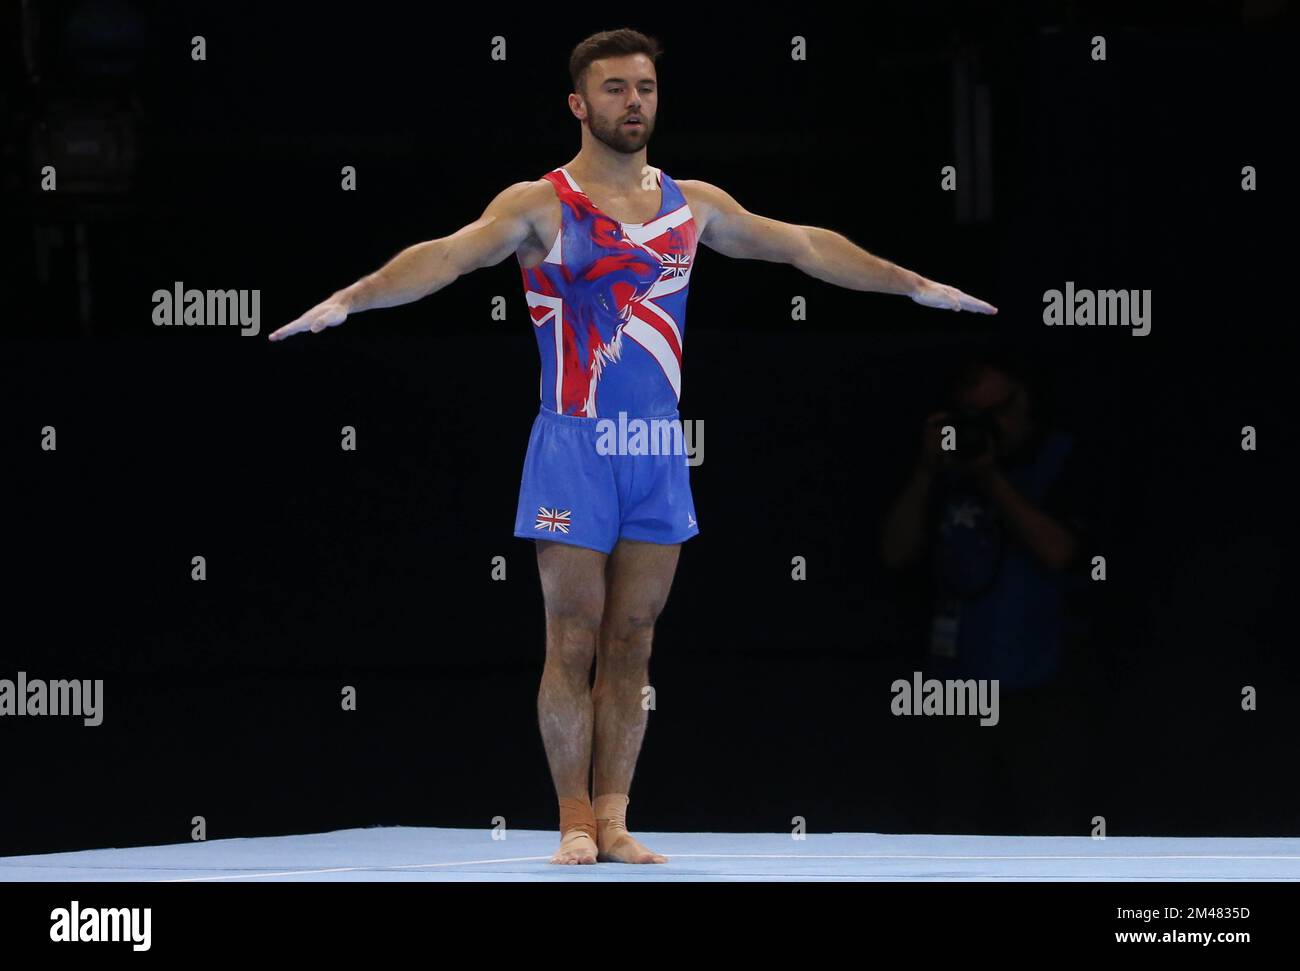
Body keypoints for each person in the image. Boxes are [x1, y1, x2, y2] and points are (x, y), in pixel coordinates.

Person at [270, 28, 997, 864]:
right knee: (573, 637)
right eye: (615, 89)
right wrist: (351, 299)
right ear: (580, 104)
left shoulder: (695, 205)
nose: (634, 103)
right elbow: (447, 257)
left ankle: (615, 816)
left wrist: (913, 284)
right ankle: (573, 817)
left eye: (645, 87)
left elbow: (804, 245)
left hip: (656, 450)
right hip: (572, 446)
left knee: (634, 638)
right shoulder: (539, 205)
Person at [881, 356, 1095, 832]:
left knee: (1050, 826)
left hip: (1040, 682)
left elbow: (1060, 551)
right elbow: (895, 553)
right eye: (974, 418)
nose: (989, 428)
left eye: (999, 411)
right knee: (952, 824)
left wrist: (989, 477)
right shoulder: (942, 468)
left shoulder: (1063, 458)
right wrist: (926, 470)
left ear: (1026, 399)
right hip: (955, 684)